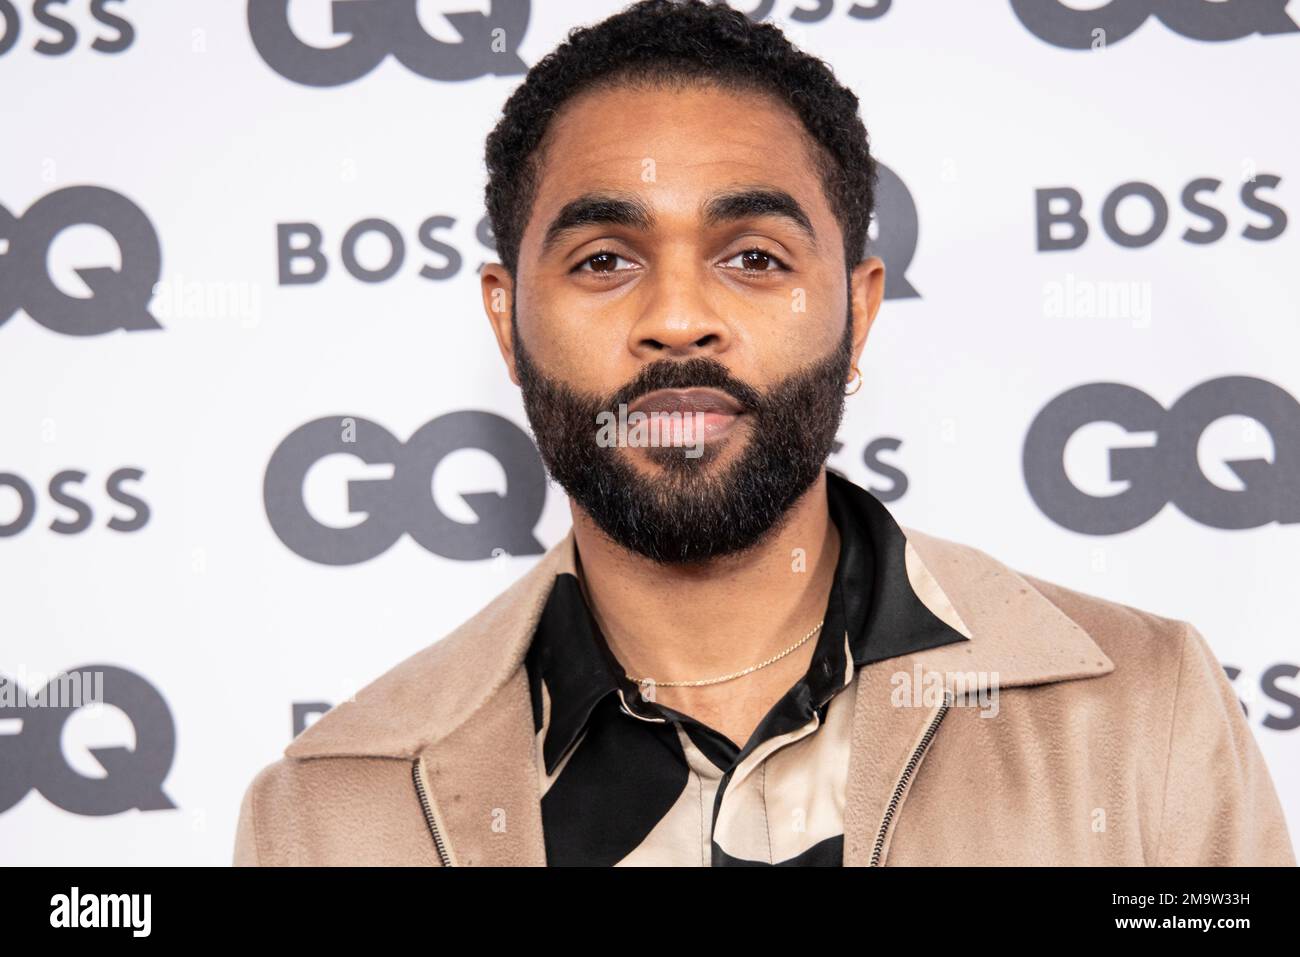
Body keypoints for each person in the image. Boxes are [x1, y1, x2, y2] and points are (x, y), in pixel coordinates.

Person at [233, 0, 1294, 866]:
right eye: (604, 259)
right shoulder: (330, 815)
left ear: (858, 308)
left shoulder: (1136, 711)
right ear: (507, 322)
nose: (677, 318)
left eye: (754, 258)